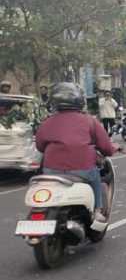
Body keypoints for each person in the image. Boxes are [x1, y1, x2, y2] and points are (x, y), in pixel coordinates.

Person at [35, 83, 117, 223]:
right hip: (82, 170)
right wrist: (113, 148)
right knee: (96, 179)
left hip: (51, 171)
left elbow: (40, 146)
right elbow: (106, 147)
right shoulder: (89, 121)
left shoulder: (47, 122)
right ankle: (97, 211)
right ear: (80, 101)